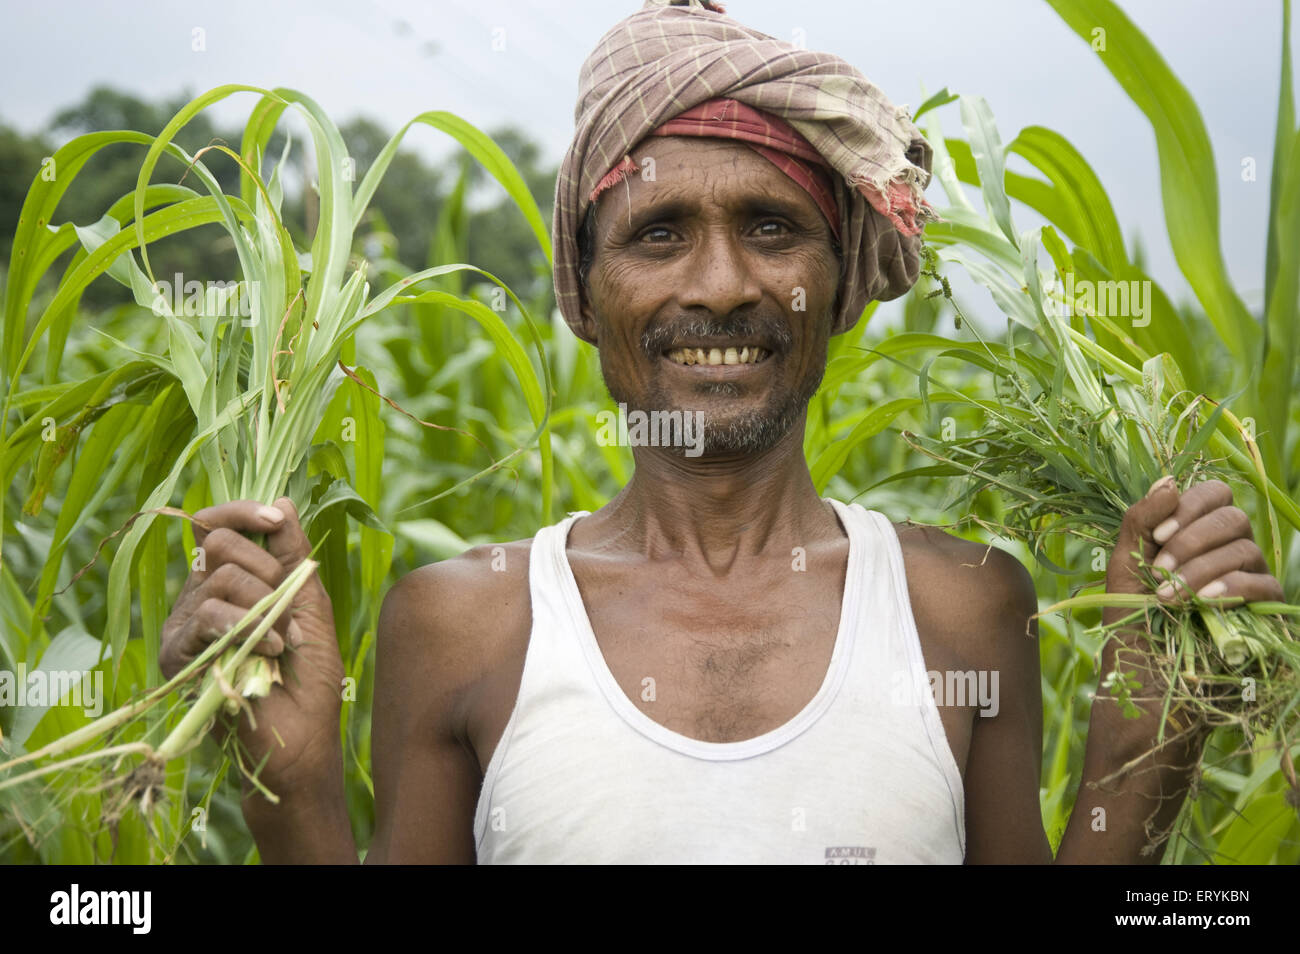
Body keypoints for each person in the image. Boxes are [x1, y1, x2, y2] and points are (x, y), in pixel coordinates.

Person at [160, 0, 1285, 863]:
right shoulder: (459, 624)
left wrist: (1152, 735)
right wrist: (295, 792)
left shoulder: (963, 606)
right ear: (584, 298)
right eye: (657, 235)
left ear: (841, 288)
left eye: (770, 227)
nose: (721, 283)